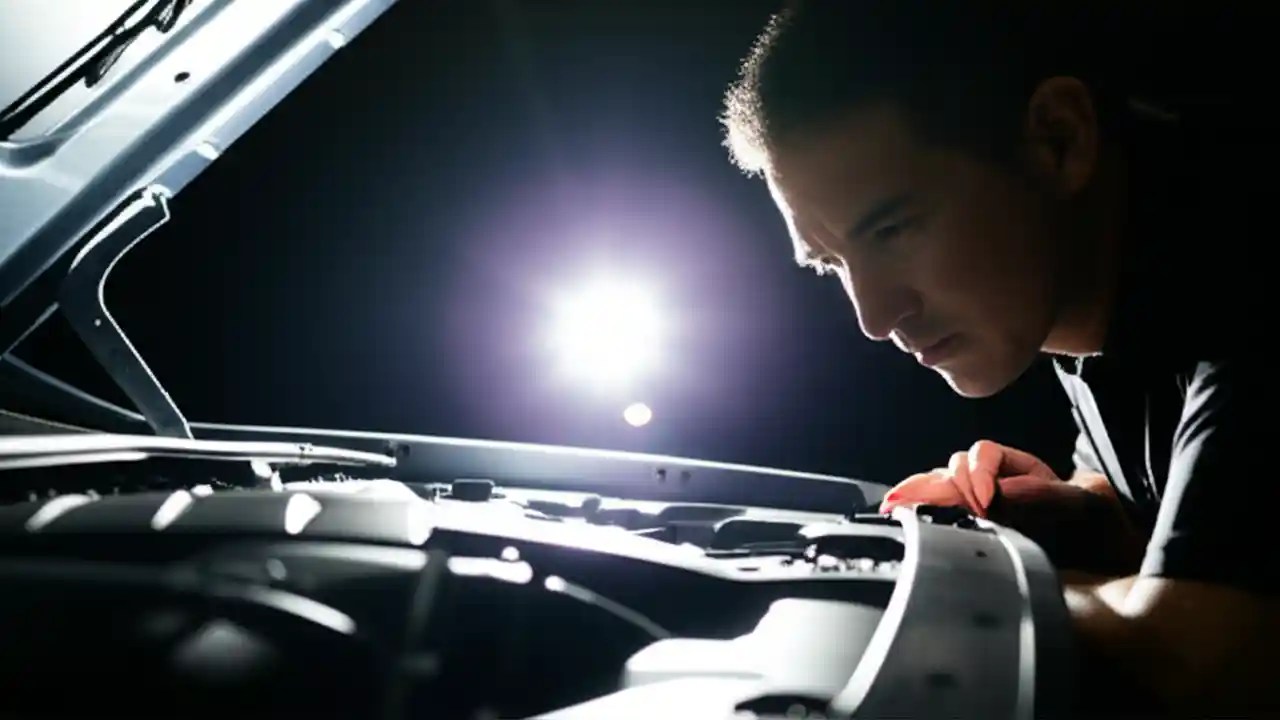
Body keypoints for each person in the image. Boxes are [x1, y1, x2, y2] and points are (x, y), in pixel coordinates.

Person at [719, 1, 1278, 717]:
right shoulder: (1090, 288)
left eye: (893, 230)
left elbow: (1199, 666)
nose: (875, 318)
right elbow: (1187, 508)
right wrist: (1084, 512)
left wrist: (941, 573)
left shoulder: (1251, 259)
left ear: (1057, 141)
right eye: (831, 265)